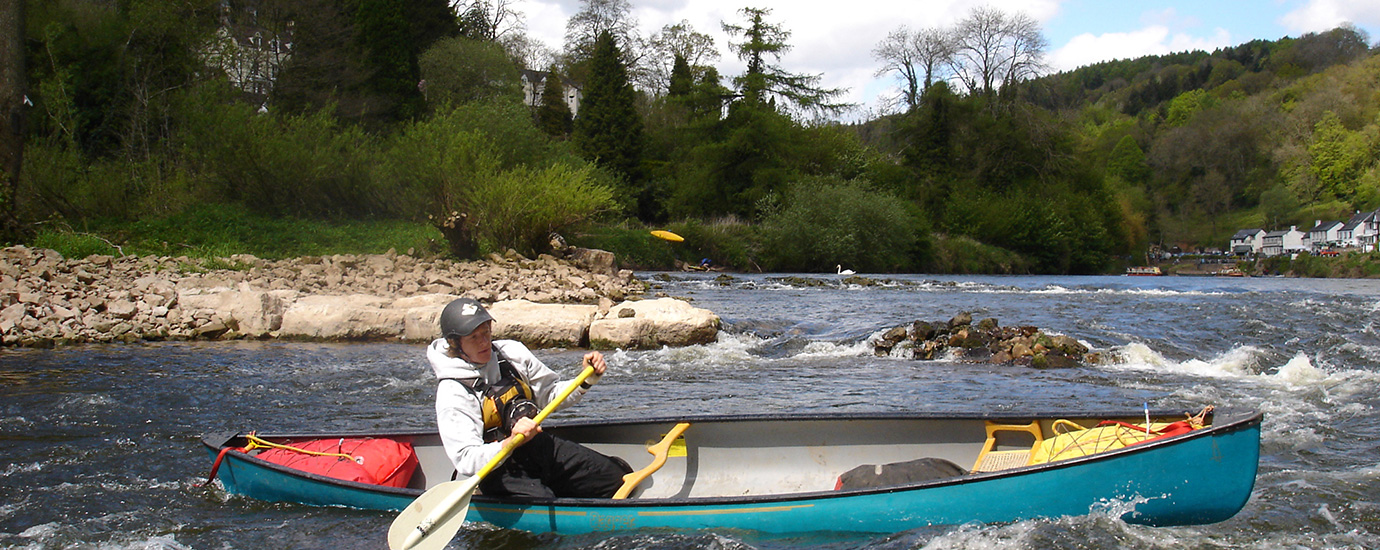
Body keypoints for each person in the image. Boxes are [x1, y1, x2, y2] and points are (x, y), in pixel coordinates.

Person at [426, 298, 632, 499]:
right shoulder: (452, 392)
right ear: (454, 343)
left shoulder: (512, 353)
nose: (484, 342)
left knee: (617, 478)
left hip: (536, 447)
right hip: (496, 469)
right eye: (473, 337)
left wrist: (585, 379)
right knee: (545, 500)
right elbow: (466, 459)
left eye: (486, 332)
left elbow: (549, 395)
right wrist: (508, 444)